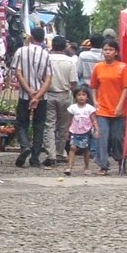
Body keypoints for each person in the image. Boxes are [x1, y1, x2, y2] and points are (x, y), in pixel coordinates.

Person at [11, 26, 52, 168]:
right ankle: (35, 158)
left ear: (31, 37)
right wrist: (38, 95)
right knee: (39, 126)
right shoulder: (46, 55)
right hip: (42, 96)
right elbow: (48, 79)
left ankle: (24, 146)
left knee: (21, 123)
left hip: (24, 95)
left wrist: (29, 92)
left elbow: (18, 73)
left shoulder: (21, 51)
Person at [89, 40, 127, 174]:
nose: (107, 52)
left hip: (118, 109)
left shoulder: (123, 67)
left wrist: (120, 105)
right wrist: (95, 101)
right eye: (105, 49)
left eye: (110, 50)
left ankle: (120, 160)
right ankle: (103, 165)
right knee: (102, 136)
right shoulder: (98, 67)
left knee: (117, 137)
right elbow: (94, 86)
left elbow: (126, 88)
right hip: (102, 108)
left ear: (116, 52)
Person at [45, 35, 78, 165]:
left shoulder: (46, 59)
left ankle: (51, 154)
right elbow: (73, 82)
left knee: (49, 125)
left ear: (52, 45)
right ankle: (60, 152)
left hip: (48, 94)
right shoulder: (70, 61)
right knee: (63, 126)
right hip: (65, 95)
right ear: (65, 47)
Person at [66, 87, 96, 174]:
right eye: (79, 95)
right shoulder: (72, 108)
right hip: (74, 131)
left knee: (86, 149)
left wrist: (96, 129)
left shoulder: (90, 108)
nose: (81, 97)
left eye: (83, 95)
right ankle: (69, 167)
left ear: (87, 97)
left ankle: (86, 167)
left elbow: (94, 120)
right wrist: (67, 131)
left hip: (86, 131)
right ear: (75, 97)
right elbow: (69, 120)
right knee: (72, 147)